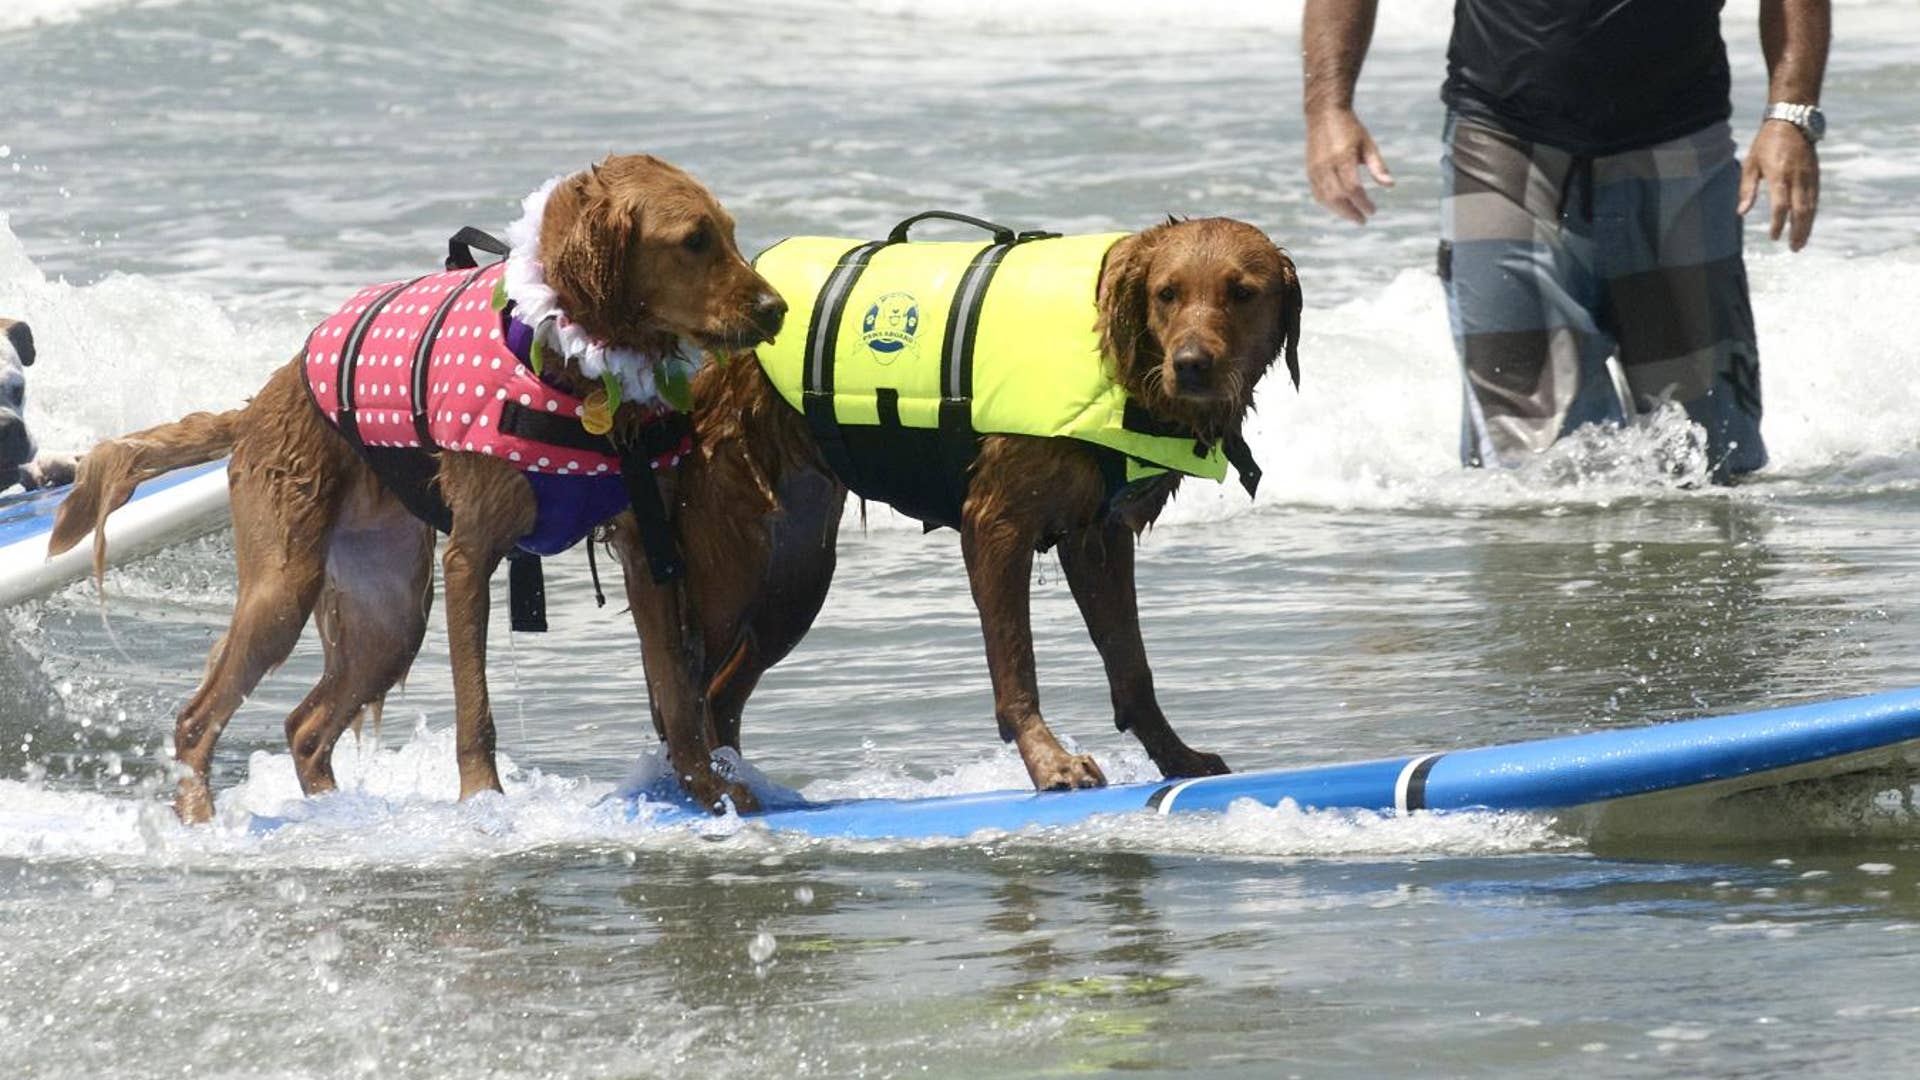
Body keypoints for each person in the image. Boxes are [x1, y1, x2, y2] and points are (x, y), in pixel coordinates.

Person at [1302, 0, 1829, 481]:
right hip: (1503, 145)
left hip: (1680, 144)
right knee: (1536, 470)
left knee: (1711, 457)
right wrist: (1328, 109)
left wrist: (1790, 115)